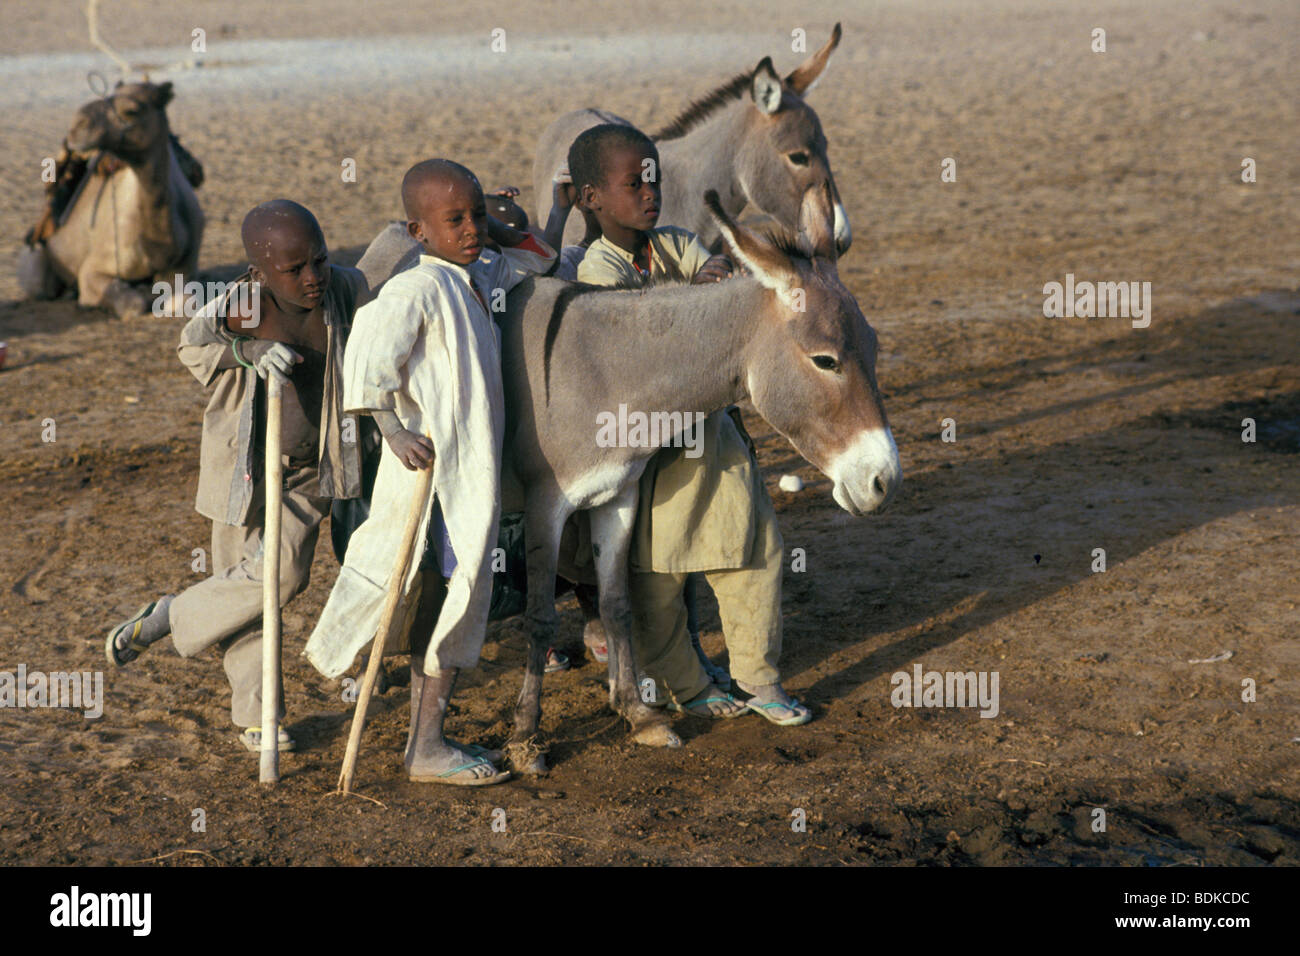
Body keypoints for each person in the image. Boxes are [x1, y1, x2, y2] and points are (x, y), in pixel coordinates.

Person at [304, 159, 557, 785]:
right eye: (455, 220)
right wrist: (393, 431)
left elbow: (543, 260)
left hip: (474, 473)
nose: (470, 228)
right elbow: (367, 368)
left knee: (456, 598)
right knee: (451, 599)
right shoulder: (414, 289)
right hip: (439, 482)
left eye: (475, 215)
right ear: (418, 231)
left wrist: (507, 223)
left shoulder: (478, 273)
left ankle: (428, 740)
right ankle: (426, 748)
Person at [104, 200, 373, 752]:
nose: (312, 277)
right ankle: (259, 718)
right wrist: (250, 351)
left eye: (318, 261)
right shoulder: (242, 305)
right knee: (250, 589)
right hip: (244, 467)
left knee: (282, 575)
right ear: (258, 274)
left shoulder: (349, 289)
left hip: (312, 468)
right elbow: (192, 345)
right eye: (294, 269)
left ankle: (169, 615)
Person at [572, 123, 812, 726]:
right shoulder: (593, 272)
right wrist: (698, 297)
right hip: (651, 454)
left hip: (716, 436)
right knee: (659, 575)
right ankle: (684, 681)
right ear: (591, 198)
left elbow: (717, 282)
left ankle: (759, 678)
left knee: (755, 550)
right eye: (633, 183)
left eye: (654, 179)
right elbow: (635, 340)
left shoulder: (676, 243)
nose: (650, 192)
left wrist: (715, 279)